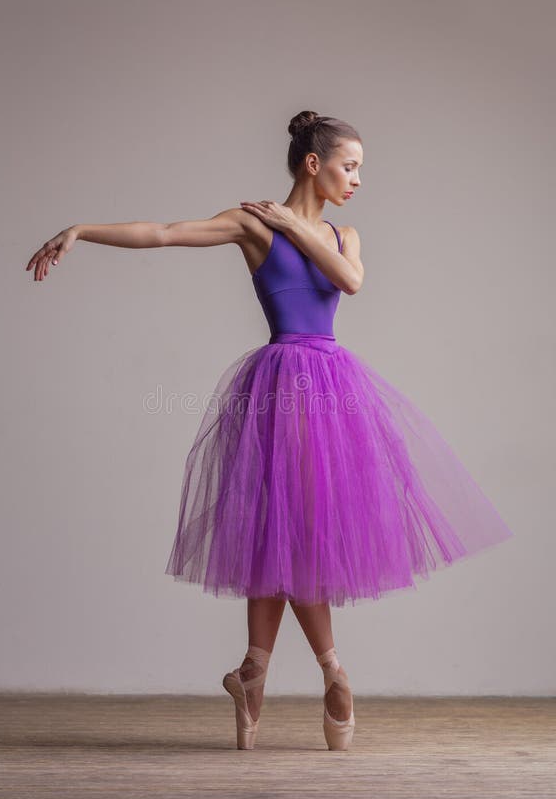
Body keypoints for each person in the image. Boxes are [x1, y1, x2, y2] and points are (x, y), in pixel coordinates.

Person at [25, 109, 513, 753]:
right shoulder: (253, 225)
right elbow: (165, 232)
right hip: (280, 389)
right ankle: (321, 671)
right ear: (315, 164)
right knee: (275, 529)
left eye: (360, 168)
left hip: (333, 391)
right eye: (350, 166)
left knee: (297, 529)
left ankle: (258, 673)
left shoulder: (346, 235)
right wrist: (81, 230)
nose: (358, 179)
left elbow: (351, 281)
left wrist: (295, 225)